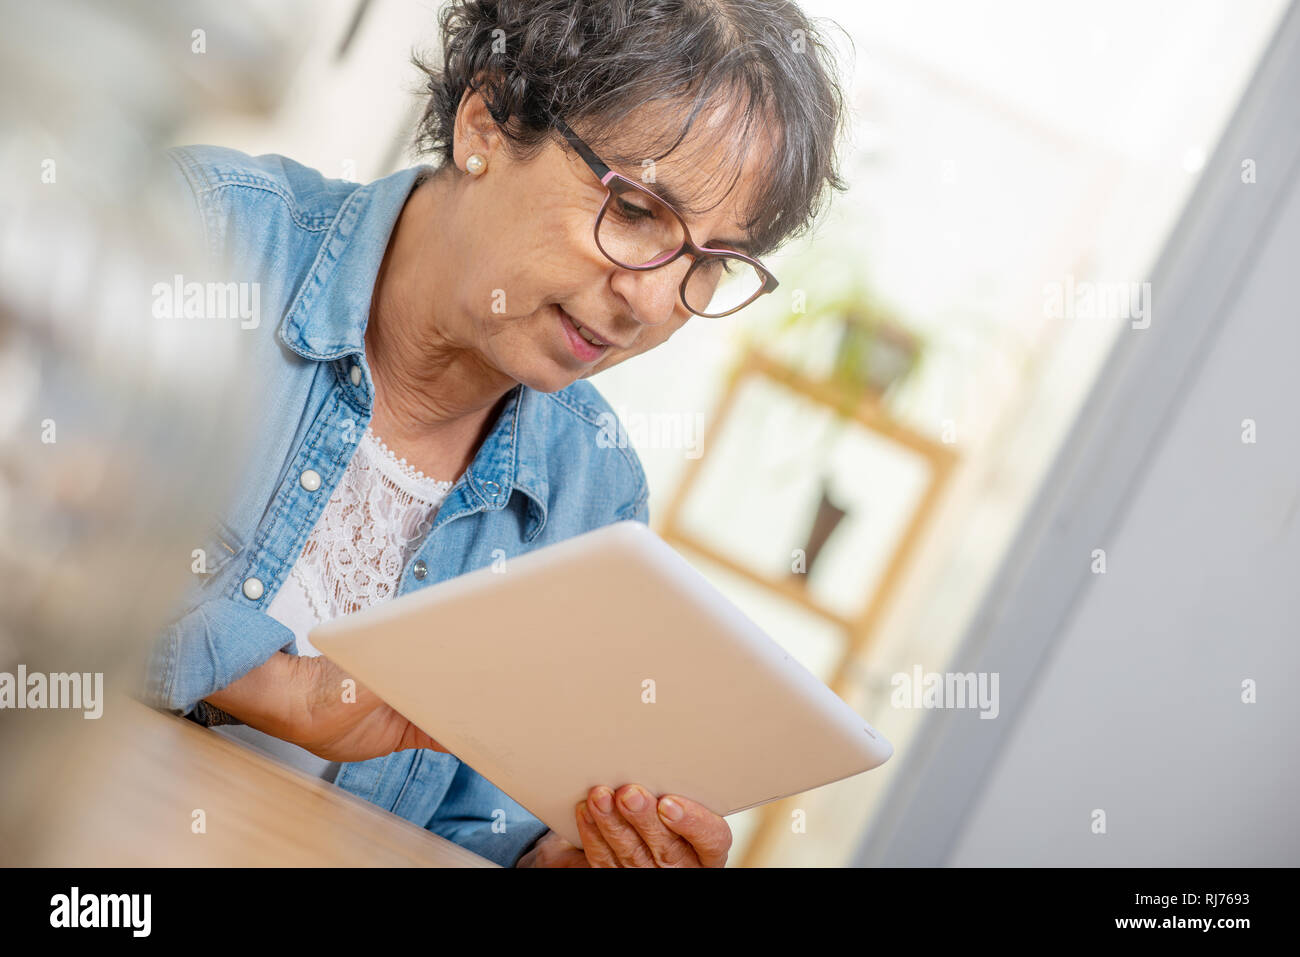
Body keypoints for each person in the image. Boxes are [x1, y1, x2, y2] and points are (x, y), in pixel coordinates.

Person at [144, 0, 847, 867]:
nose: (654, 303)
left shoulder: (594, 486)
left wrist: (566, 858)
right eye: (635, 212)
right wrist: (250, 681)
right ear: (485, 120)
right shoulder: (201, 242)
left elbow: (473, 828)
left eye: (707, 264)